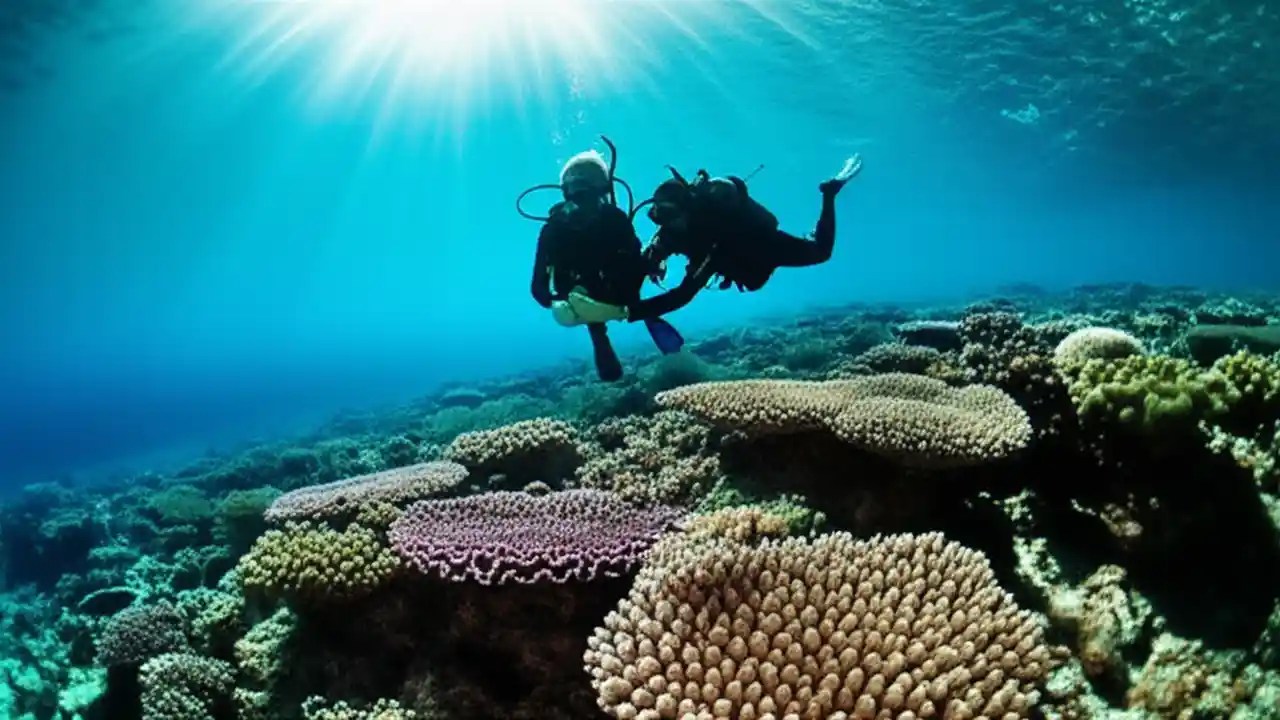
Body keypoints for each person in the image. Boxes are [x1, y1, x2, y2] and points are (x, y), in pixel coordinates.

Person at [559, 155, 863, 324]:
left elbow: (683, 295)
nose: (665, 227)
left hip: (759, 248)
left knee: (821, 252)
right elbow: (648, 258)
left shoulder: (711, 236)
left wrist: (623, 312)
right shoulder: (672, 231)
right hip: (731, 264)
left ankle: (829, 193)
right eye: (658, 217)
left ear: (687, 210)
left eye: (669, 216)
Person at [524, 142, 685, 382]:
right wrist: (562, 304)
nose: (581, 203)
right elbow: (539, 289)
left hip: (620, 293)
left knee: (625, 293)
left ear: (602, 191)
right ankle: (598, 331)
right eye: (575, 193)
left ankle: (624, 322)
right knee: (595, 313)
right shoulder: (554, 230)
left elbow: (635, 263)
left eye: (586, 193)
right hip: (581, 299)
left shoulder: (614, 220)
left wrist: (649, 269)